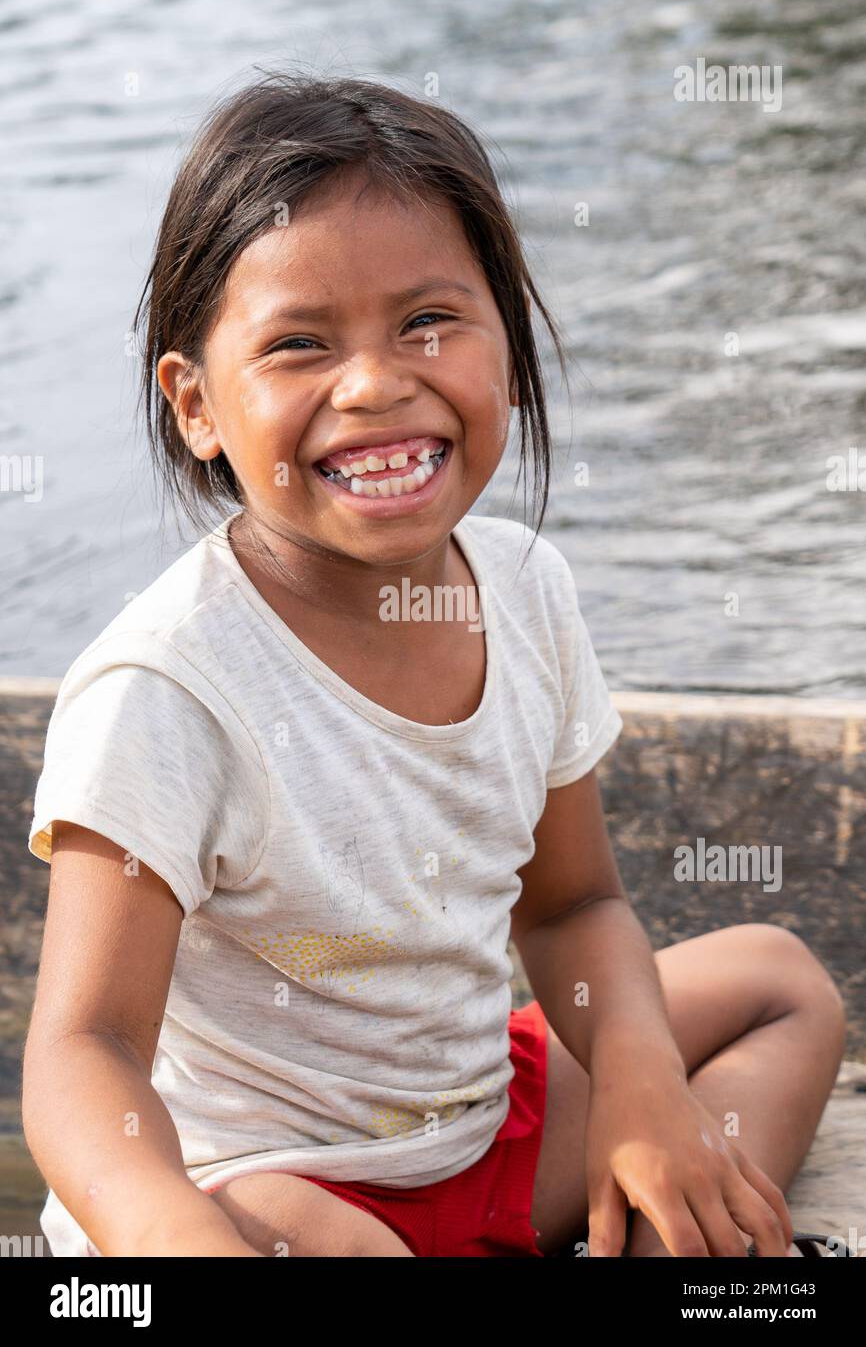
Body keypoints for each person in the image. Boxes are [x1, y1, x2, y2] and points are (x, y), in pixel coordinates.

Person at [22, 70, 846, 1259]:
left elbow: (574, 907)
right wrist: (170, 1236)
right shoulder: (168, 687)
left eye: (427, 322)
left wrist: (636, 1080)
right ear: (195, 404)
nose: (373, 383)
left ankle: (665, 1221)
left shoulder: (522, 589)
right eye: (299, 343)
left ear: (505, 340)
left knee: (777, 981)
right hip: (265, 1186)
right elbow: (81, 1054)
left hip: (473, 1135)